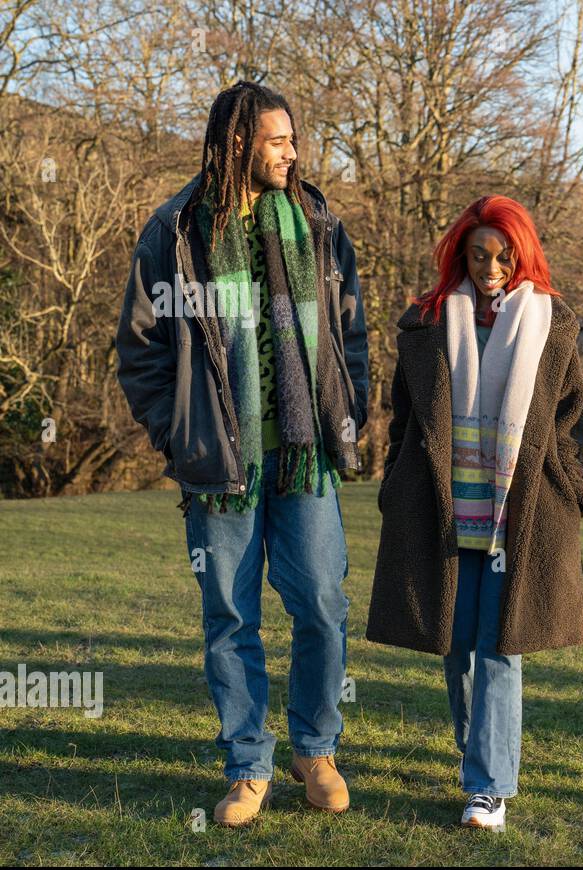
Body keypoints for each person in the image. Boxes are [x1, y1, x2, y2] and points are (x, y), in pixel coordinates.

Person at [115, 81, 369, 826]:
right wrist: (180, 435)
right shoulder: (174, 232)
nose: (293, 153)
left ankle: (315, 750)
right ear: (236, 144)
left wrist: (349, 411)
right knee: (230, 617)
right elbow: (141, 349)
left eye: (293, 139)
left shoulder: (317, 223)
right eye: (277, 141)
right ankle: (248, 766)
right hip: (219, 466)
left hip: (305, 457)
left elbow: (350, 331)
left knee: (322, 603)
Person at [366, 195, 583, 832]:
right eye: (479, 256)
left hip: (520, 513)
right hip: (443, 510)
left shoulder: (551, 324)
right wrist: (395, 484)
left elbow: (570, 421)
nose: (491, 268)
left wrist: (571, 487)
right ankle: (478, 757)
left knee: (499, 646)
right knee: (457, 645)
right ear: (461, 257)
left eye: (504, 256)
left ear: (523, 256)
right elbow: (403, 418)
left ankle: (489, 787)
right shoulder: (429, 322)